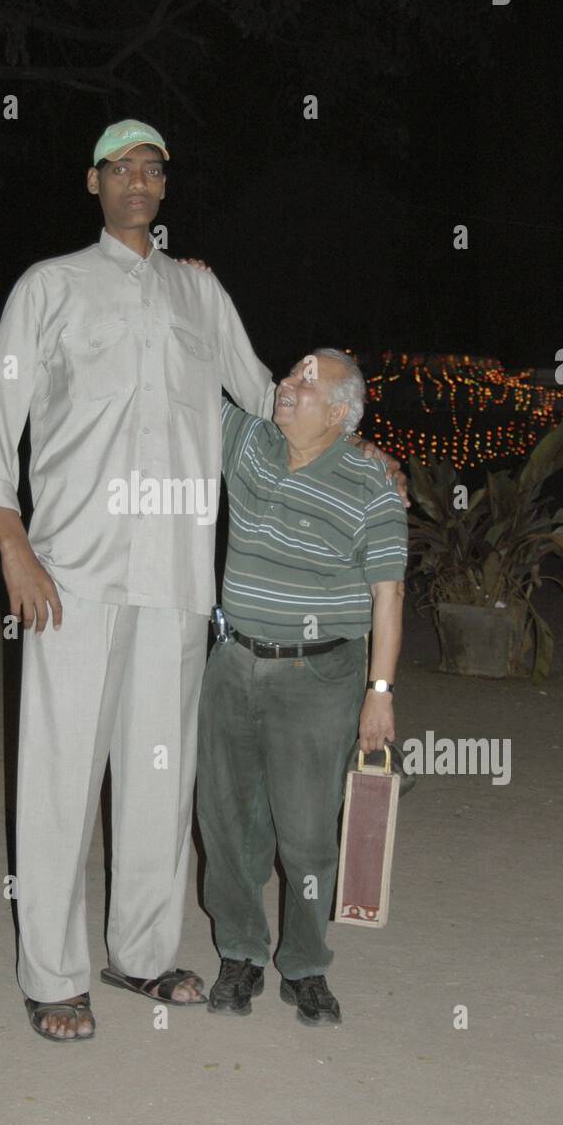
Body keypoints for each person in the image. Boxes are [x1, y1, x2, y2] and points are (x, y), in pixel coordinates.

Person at [0, 119, 405, 1042]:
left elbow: (267, 396)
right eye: (119, 166)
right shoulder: (50, 287)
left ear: (164, 188)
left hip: (175, 582)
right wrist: (12, 547)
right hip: (69, 573)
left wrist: (370, 458)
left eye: (151, 168)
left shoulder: (200, 295)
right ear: (93, 182)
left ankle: (143, 952)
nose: (135, 180)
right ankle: (53, 974)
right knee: (59, 777)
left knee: (161, 779)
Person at [197, 350, 407, 1024]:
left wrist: (380, 690)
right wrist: (195, 282)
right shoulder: (249, 442)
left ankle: (306, 966)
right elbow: (201, 369)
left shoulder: (371, 481)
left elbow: (388, 594)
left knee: (308, 833)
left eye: (307, 383)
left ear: (343, 413)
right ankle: (240, 952)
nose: (287, 385)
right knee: (228, 824)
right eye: (289, 375)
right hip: (233, 663)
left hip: (319, 676)